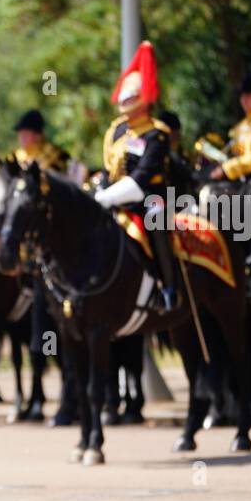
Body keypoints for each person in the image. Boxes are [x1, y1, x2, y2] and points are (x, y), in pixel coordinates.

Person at [94, 40, 176, 313]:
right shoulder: (116, 130)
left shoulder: (156, 132)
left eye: (131, 97)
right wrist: (101, 191)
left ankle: (167, 288)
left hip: (150, 197)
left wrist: (107, 197)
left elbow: (142, 177)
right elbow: (109, 167)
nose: (124, 101)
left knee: (157, 222)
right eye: (124, 97)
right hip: (116, 197)